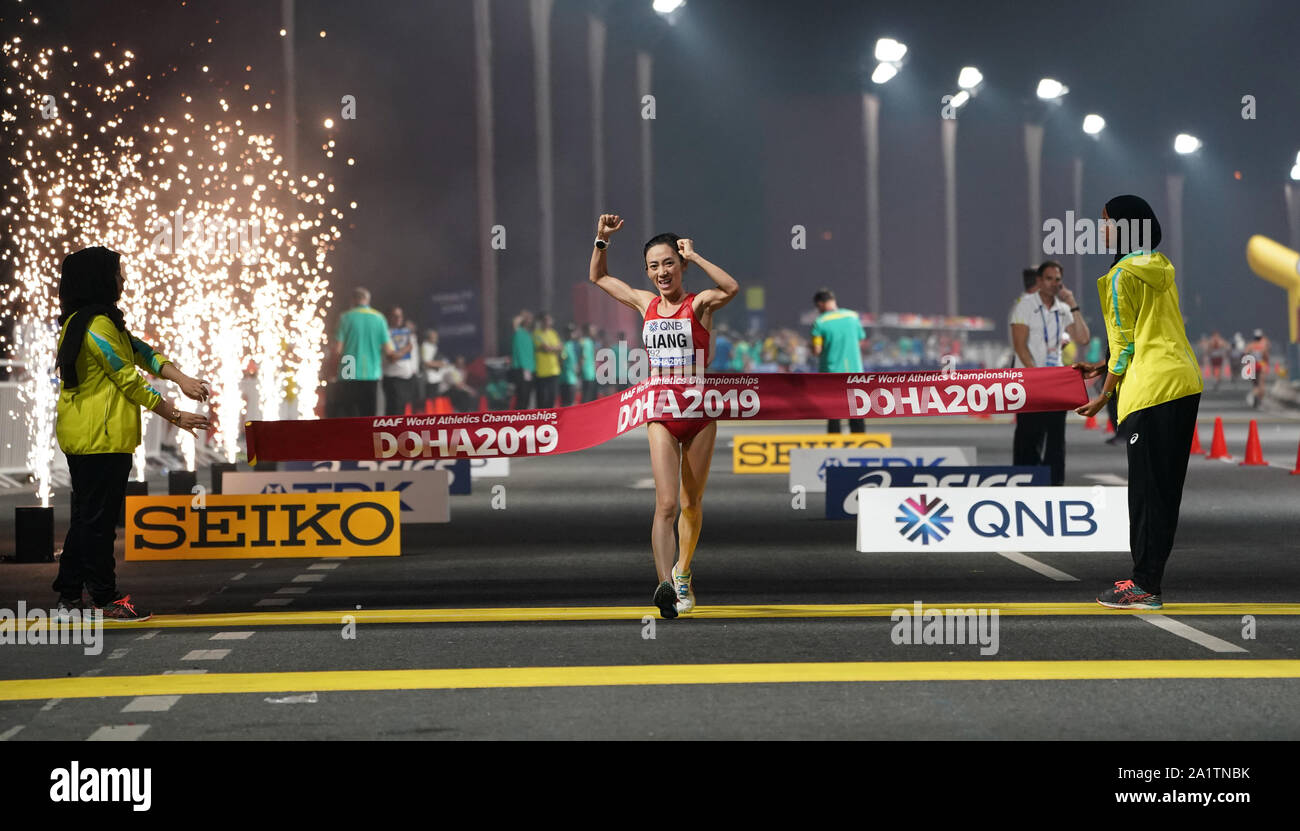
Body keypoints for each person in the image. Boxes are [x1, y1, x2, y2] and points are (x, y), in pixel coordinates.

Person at [588, 213, 738, 619]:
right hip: (660, 413)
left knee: (692, 503)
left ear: (681, 264)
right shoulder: (645, 303)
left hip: (700, 414)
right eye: (653, 266)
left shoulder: (700, 304)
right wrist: (602, 239)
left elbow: (731, 287)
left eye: (668, 262)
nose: (661, 272)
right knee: (667, 504)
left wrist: (698, 254)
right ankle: (665, 587)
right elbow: (600, 278)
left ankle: (684, 571)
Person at [53, 247, 210, 621]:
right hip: (98, 438)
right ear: (99, 279)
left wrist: (181, 378)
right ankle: (106, 598)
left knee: (87, 519)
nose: (122, 280)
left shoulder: (98, 320)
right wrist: (175, 414)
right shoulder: (96, 325)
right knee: (99, 523)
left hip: (97, 437)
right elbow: (128, 379)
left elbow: (141, 351)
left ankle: (68, 596)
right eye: (117, 274)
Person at [1074, 195, 1202, 610]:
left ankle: (1144, 585)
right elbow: (1152, 332)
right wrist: (1103, 365)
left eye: (1107, 221)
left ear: (1128, 227)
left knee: (1146, 493)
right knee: (1165, 491)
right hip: (1183, 381)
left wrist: (1103, 395)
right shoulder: (1161, 267)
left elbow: (1125, 344)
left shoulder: (1119, 276)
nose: (1102, 229)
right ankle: (1149, 580)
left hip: (1150, 389)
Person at [1009, 260, 1091, 485]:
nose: (1054, 283)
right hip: (1029, 381)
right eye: (1049, 279)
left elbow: (1083, 338)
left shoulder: (1063, 309)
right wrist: (1037, 377)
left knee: (1056, 440)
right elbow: (1020, 345)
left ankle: (1055, 488)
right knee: (1028, 436)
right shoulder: (1024, 305)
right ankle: (1025, 484)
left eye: (1058, 280)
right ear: (1039, 281)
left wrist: (1072, 303)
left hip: (1056, 383)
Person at [810, 288, 867, 433]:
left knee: (834, 413)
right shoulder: (853, 316)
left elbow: (817, 351)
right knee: (856, 412)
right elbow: (860, 341)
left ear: (820, 304)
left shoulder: (820, 322)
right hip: (855, 371)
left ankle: (834, 449)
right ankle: (861, 447)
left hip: (832, 372)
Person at [334, 288, 395, 417]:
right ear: (368, 300)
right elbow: (389, 351)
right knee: (368, 416)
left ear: (352, 300)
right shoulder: (379, 319)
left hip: (348, 371)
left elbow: (337, 349)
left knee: (349, 417)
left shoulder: (345, 317)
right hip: (371, 372)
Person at [382, 306, 419, 415]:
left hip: (409, 377)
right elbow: (392, 357)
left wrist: (414, 372)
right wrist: (407, 348)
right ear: (389, 317)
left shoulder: (408, 334)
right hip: (393, 378)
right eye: (395, 316)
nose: (398, 318)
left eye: (400, 316)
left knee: (407, 413)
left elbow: (414, 356)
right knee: (394, 413)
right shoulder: (385, 334)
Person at [532, 313, 562, 408]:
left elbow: (560, 347)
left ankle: (550, 420)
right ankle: (541, 420)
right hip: (541, 371)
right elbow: (545, 348)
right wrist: (554, 348)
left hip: (554, 371)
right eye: (545, 320)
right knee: (542, 399)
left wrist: (552, 348)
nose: (547, 322)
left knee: (552, 398)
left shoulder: (553, 333)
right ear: (541, 321)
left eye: (549, 320)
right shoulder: (536, 334)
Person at [509, 310, 535, 409]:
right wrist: (523, 316)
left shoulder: (529, 334)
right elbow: (515, 322)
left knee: (527, 397)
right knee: (522, 397)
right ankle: (518, 420)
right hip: (521, 369)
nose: (529, 320)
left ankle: (525, 419)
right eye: (527, 318)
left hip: (530, 369)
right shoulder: (518, 331)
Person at [420, 328, 448, 405]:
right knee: (430, 399)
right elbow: (426, 362)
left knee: (435, 398)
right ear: (428, 337)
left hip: (436, 377)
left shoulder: (433, 346)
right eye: (434, 337)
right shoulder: (425, 346)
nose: (436, 338)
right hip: (429, 378)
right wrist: (440, 364)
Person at [1247, 329, 1271, 408]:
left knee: (1255, 384)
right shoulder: (1263, 346)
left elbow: (1245, 354)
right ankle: (1259, 398)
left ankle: (1255, 394)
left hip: (1253, 365)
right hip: (1261, 364)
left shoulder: (1251, 345)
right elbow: (1266, 356)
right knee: (1261, 384)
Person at [560, 323, 581, 406]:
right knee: (566, 403)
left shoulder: (576, 345)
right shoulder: (563, 345)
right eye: (568, 332)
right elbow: (561, 360)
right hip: (565, 379)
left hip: (573, 378)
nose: (570, 334)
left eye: (572, 332)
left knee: (572, 402)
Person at [580, 324, 599, 402]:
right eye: (592, 330)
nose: (594, 332)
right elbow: (582, 358)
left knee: (592, 397)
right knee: (587, 397)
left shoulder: (590, 342)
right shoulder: (583, 342)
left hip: (592, 373)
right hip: (586, 373)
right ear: (587, 331)